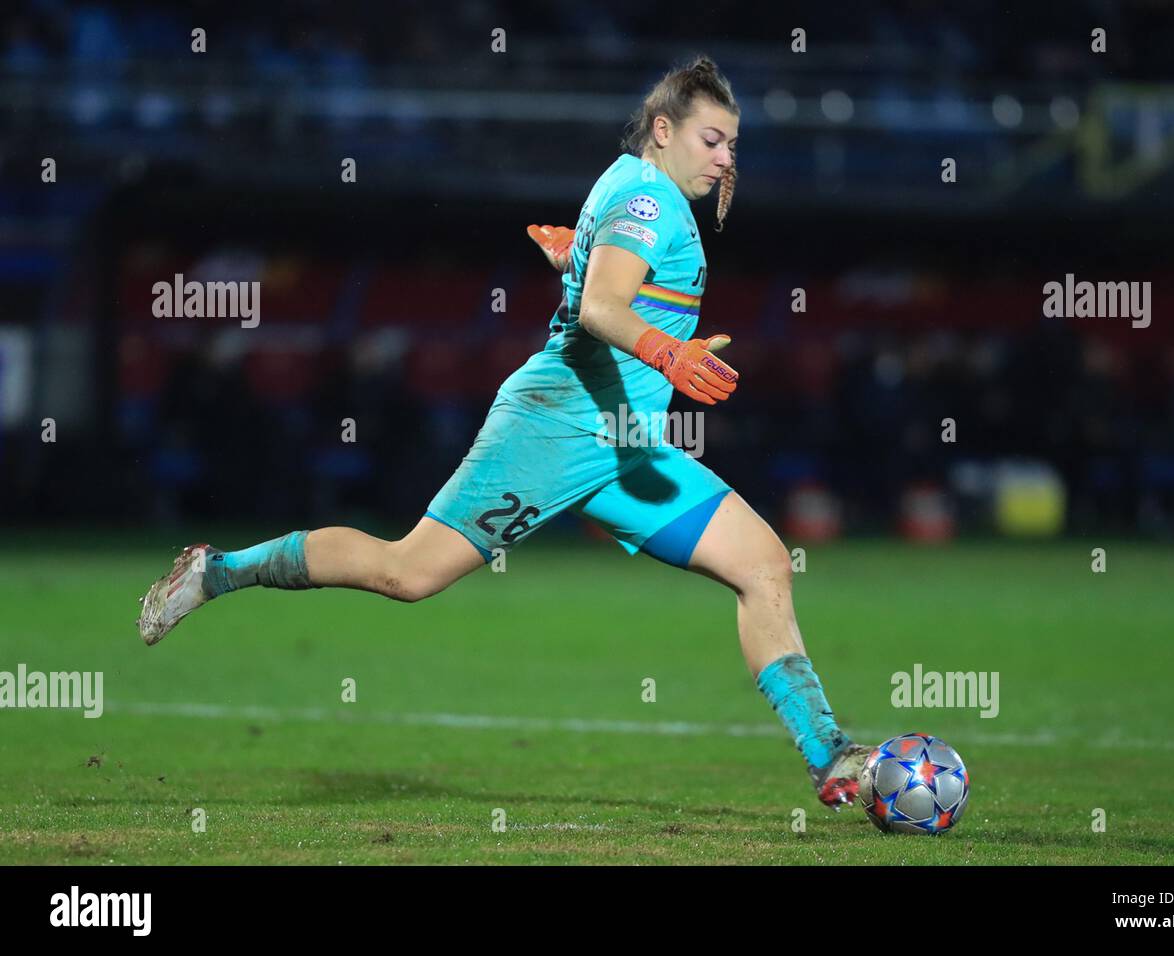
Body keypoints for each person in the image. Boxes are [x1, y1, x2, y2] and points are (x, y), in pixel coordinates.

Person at [137, 55, 870, 809]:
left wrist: (575, 264)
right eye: (713, 140)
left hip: (625, 447)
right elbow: (601, 310)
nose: (725, 159)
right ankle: (217, 571)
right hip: (555, 428)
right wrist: (668, 351)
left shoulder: (627, 185)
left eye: (731, 146)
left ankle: (831, 757)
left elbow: (602, 290)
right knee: (407, 574)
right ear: (663, 129)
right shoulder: (649, 200)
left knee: (764, 565)